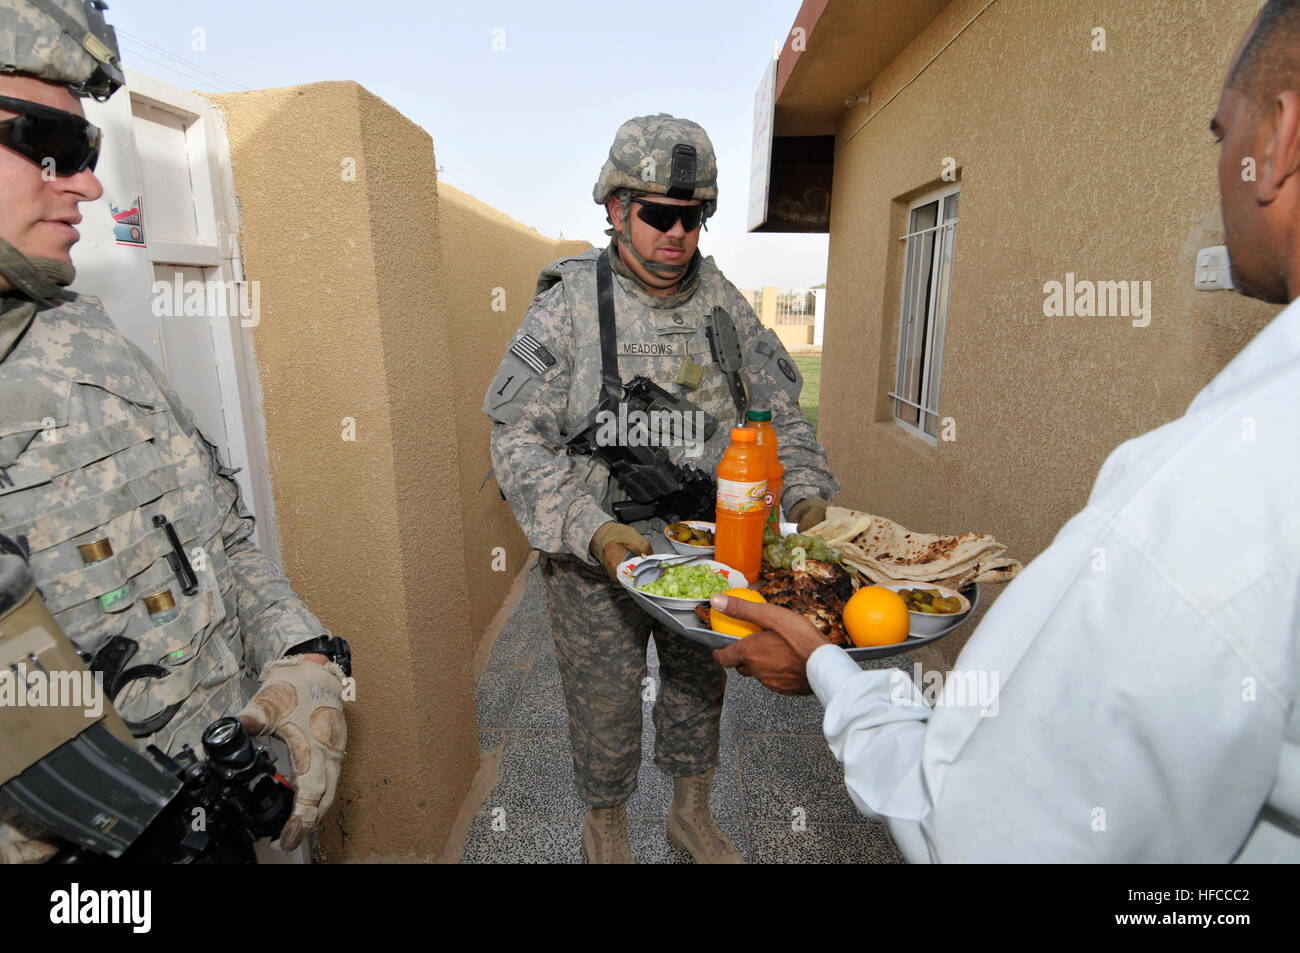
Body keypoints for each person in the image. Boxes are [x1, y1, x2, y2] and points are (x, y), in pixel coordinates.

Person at [711, 0, 1300, 863]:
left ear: (1278, 140)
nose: (1221, 167)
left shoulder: (1223, 491)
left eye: (1224, 134)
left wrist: (829, 670)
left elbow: (988, 834)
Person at [0, 0, 348, 862]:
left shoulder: (82, 337)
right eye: (52, 143)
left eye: (90, 153)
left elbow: (220, 530)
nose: (85, 182)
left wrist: (300, 654)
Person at [485, 113, 840, 863]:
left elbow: (776, 414)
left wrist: (805, 497)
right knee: (605, 705)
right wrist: (589, 527)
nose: (676, 233)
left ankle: (690, 813)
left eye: (692, 217)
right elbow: (517, 438)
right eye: (657, 215)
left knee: (696, 688)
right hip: (597, 559)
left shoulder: (722, 302)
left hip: (702, 548)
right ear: (615, 210)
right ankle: (605, 828)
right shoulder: (570, 305)